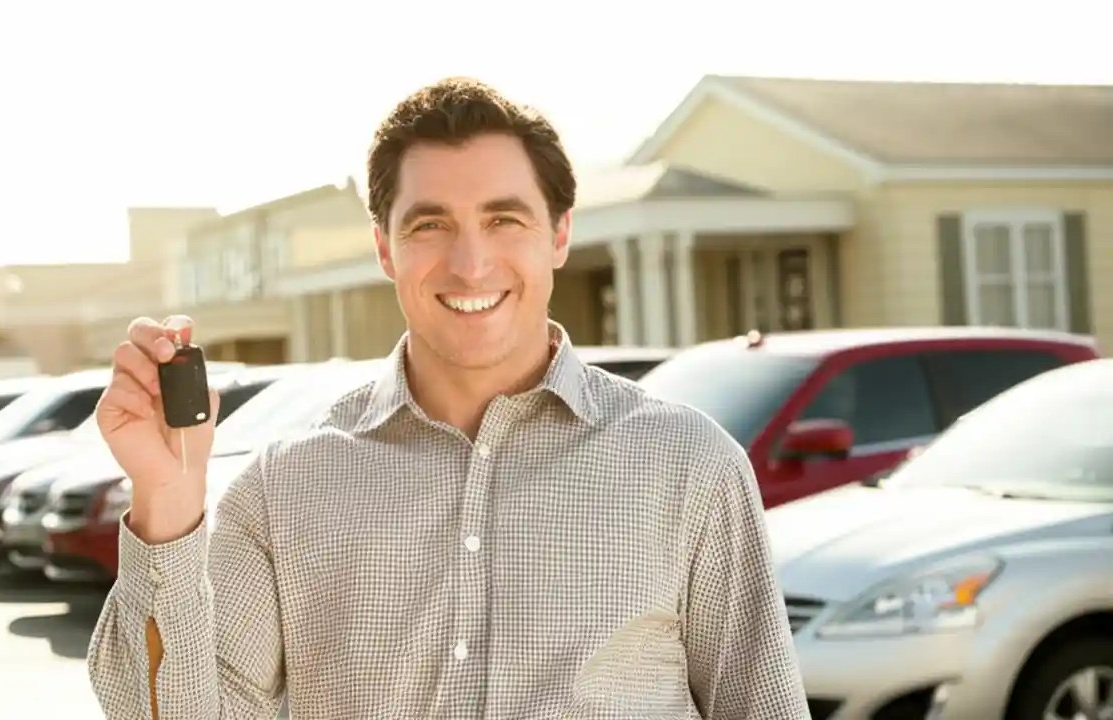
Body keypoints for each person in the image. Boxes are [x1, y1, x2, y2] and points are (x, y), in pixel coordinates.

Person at [87, 76, 810, 719]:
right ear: (383, 247)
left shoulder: (688, 466)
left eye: (504, 219)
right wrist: (167, 500)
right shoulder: (284, 489)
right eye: (430, 225)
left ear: (559, 234)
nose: (469, 264)